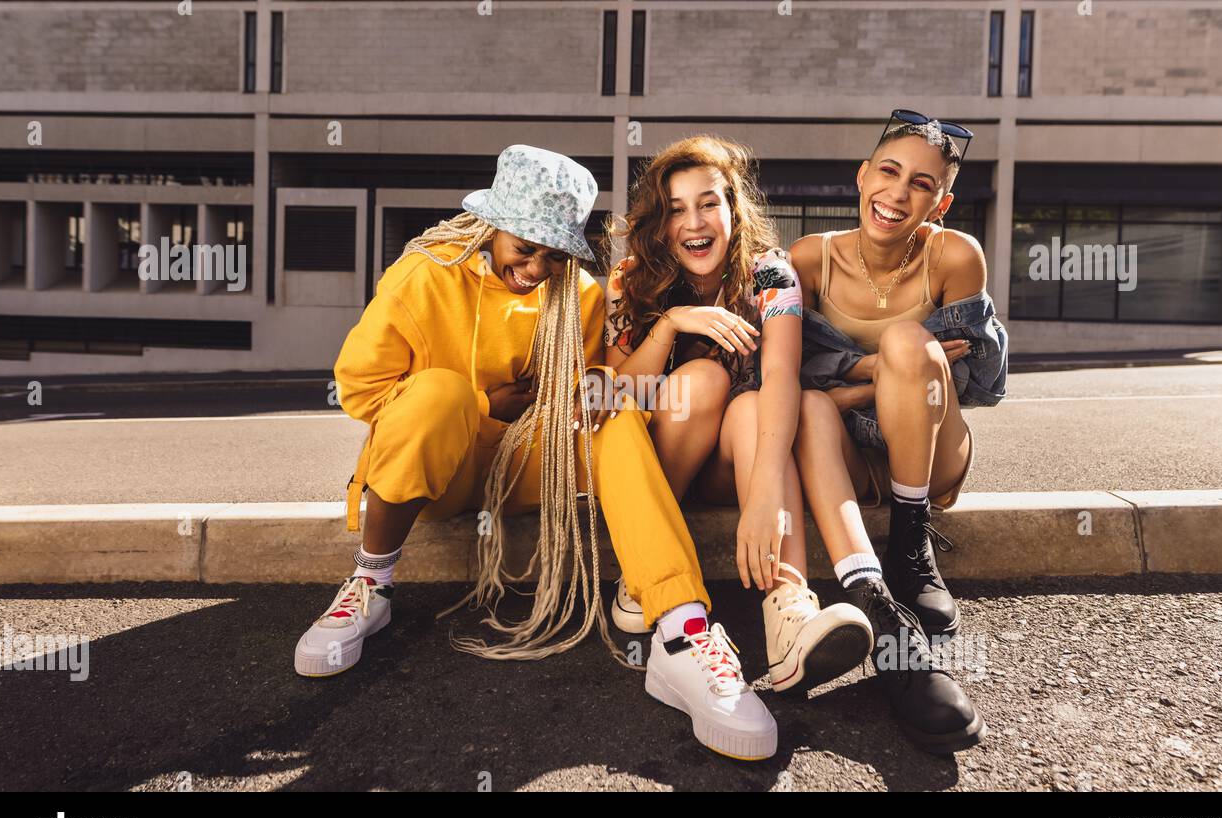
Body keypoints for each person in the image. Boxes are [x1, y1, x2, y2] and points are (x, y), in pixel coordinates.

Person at [293, 144, 777, 761]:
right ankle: (370, 583)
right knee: (441, 393)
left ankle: (682, 635)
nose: (535, 268)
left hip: (530, 467)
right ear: (495, 225)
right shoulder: (425, 274)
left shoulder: (576, 293)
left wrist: (606, 378)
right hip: (441, 470)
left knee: (615, 419)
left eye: (553, 255)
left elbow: (599, 385)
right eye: (525, 248)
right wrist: (482, 404)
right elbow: (361, 390)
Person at [603, 134, 874, 697]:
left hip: (741, 459)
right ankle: (644, 563)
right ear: (660, 220)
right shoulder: (629, 279)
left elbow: (780, 376)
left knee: (753, 402)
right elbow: (618, 394)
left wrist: (766, 492)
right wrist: (672, 323)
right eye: (676, 209)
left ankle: (789, 616)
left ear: (733, 208)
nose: (694, 222)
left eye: (708, 203)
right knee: (703, 379)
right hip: (664, 469)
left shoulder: (771, 273)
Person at [788, 110, 1008, 752]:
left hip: (932, 454)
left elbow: (978, 382)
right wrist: (876, 376)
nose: (898, 193)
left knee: (911, 342)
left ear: (940, 200)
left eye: (921, 183)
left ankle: (911, 549)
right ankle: (879, 601)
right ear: (862, 176)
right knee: (810, 408)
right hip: (849, 456)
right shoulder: (808, 261)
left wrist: (873, 367)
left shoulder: (956, 255)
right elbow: (792, 383)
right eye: (888, 171)